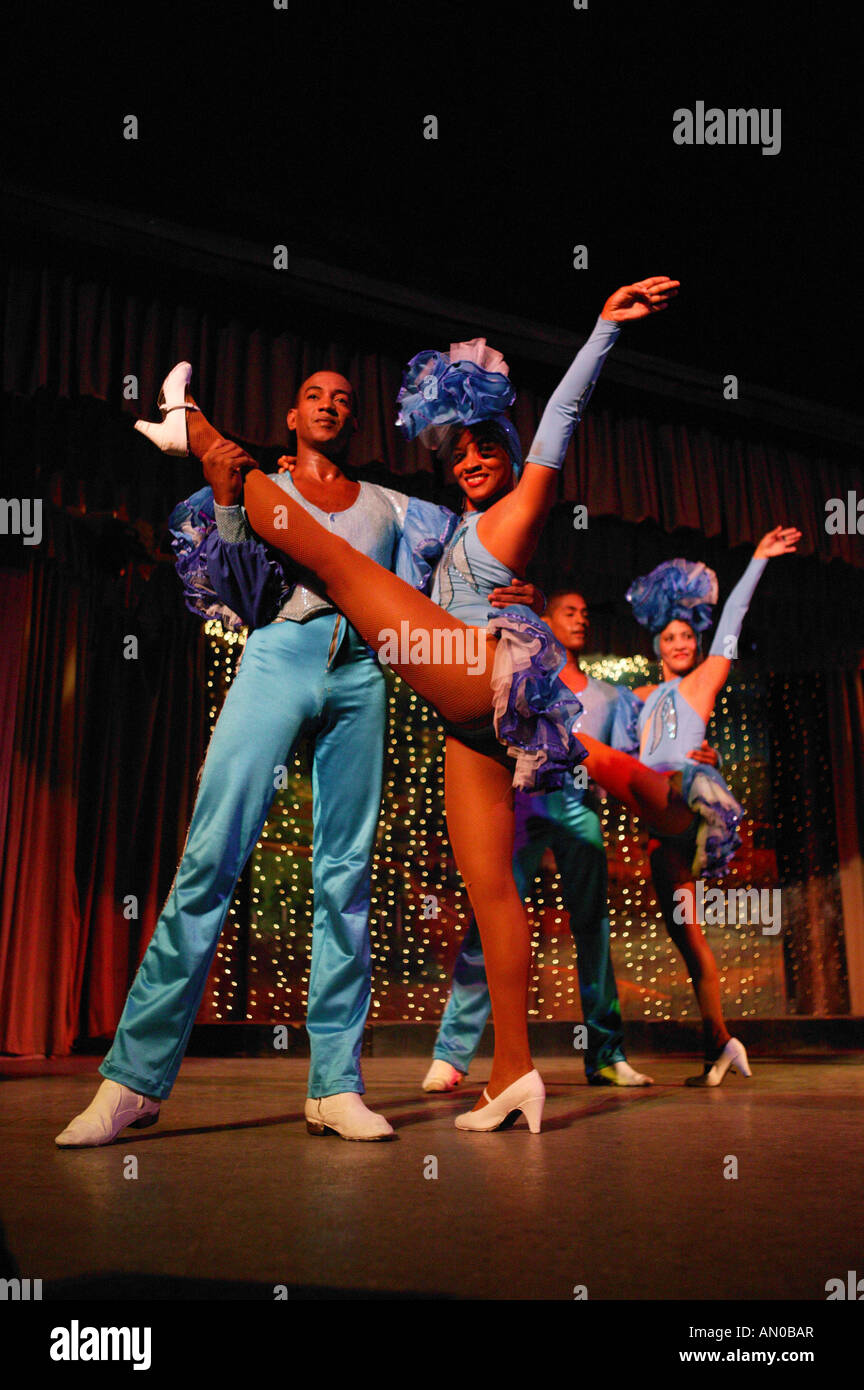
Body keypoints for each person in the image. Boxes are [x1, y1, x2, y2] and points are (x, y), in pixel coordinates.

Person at [239, 279, 707, 1133]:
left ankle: (217, 456)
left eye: (486, 447)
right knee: (489, 890)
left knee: (348, 575)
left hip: (472, 671)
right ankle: (515, 1072)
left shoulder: (520, 506)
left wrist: (602, 329)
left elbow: (561, 422)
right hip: (471, 715)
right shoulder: (456, 525)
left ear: (507, 446)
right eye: (459, 454)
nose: (471, 461)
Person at [56, 366, 529, 1146]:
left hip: (363, 674)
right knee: (210, 857)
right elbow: (240, 588)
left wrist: (526, 595)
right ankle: (132, 1081)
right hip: (280, 652)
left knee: (345, 874)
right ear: (291, 413)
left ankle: (335, 1084)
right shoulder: (263, 484)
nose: (332, 405)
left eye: (345, 399)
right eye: (316, 394)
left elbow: (480, 549)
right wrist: (225, 502)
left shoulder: (393, 507)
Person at [424, 587, 722, 1093]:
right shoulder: (527, 674)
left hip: (578, 810)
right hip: (523, 806)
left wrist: (695, 756)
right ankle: (452, 1054)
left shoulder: (610, 697)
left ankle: (605, 1055)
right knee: (487, 924)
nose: (581, 619)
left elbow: (654, 741)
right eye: (570, 611)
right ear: (547, 618)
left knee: (594, 931)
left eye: (586, 612)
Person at [613, 531, 800, 1085]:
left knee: (605, 760)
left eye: (686, 636)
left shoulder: (705, 679)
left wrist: (758, 561)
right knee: (687, 939)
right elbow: (631, 751)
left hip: (683, 806)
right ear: (656, 646)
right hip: (659, 827)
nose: (679, 643)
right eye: (669, 637)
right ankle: (720, 1040)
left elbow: (733, 620)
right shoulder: (640, 700)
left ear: (696, 642)